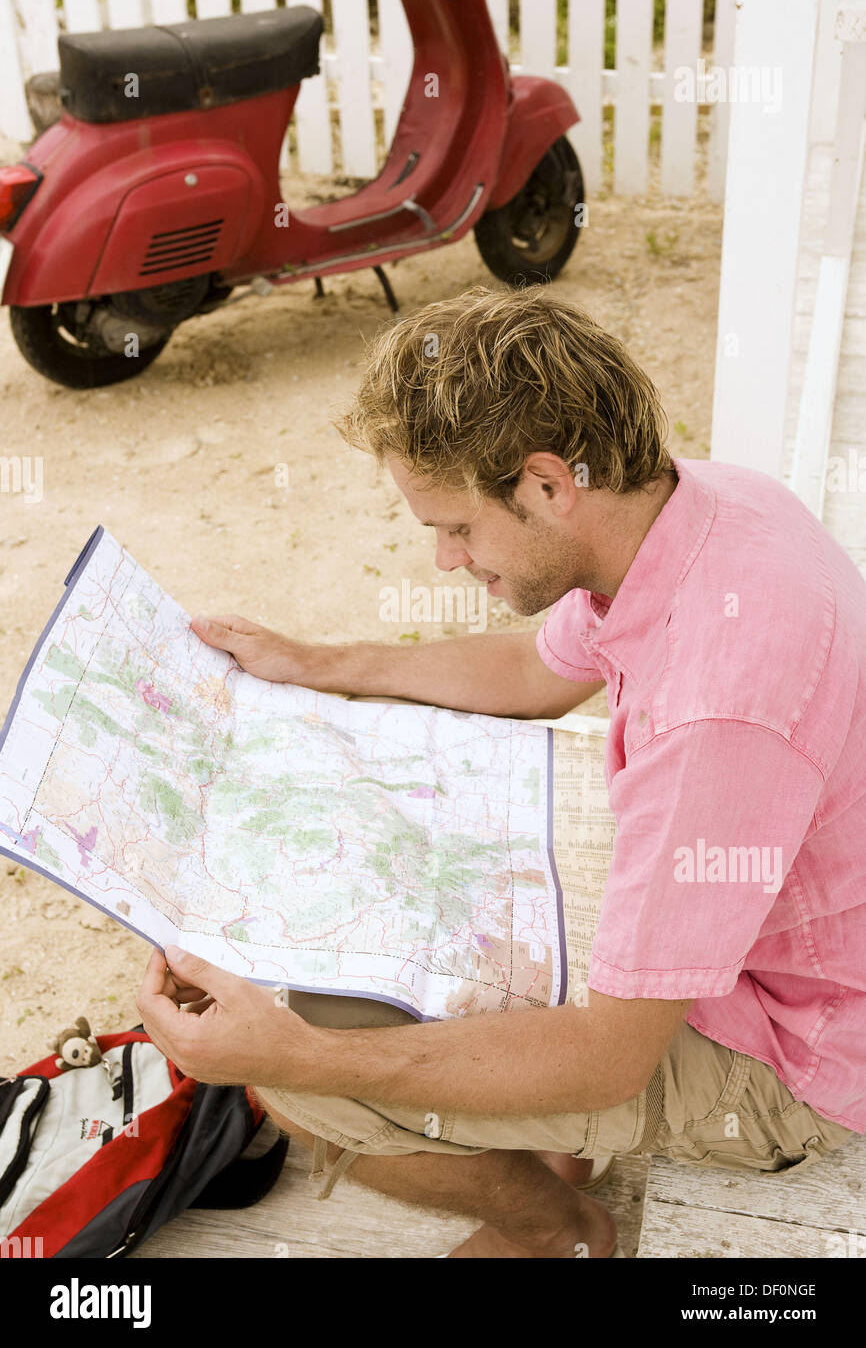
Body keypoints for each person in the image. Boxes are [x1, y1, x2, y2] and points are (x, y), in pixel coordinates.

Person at [137, 285, 865, 1259]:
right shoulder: (697, 511)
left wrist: (295, 1054)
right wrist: (321, 662)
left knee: (299, 1087)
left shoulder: (712, 707)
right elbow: (531, 672)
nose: (443, 559)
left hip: (798, 1053)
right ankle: (541, 1149)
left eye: (457, 527)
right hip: (764, 926)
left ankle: (555, 1233)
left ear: (545, 484)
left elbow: (607, 1059)